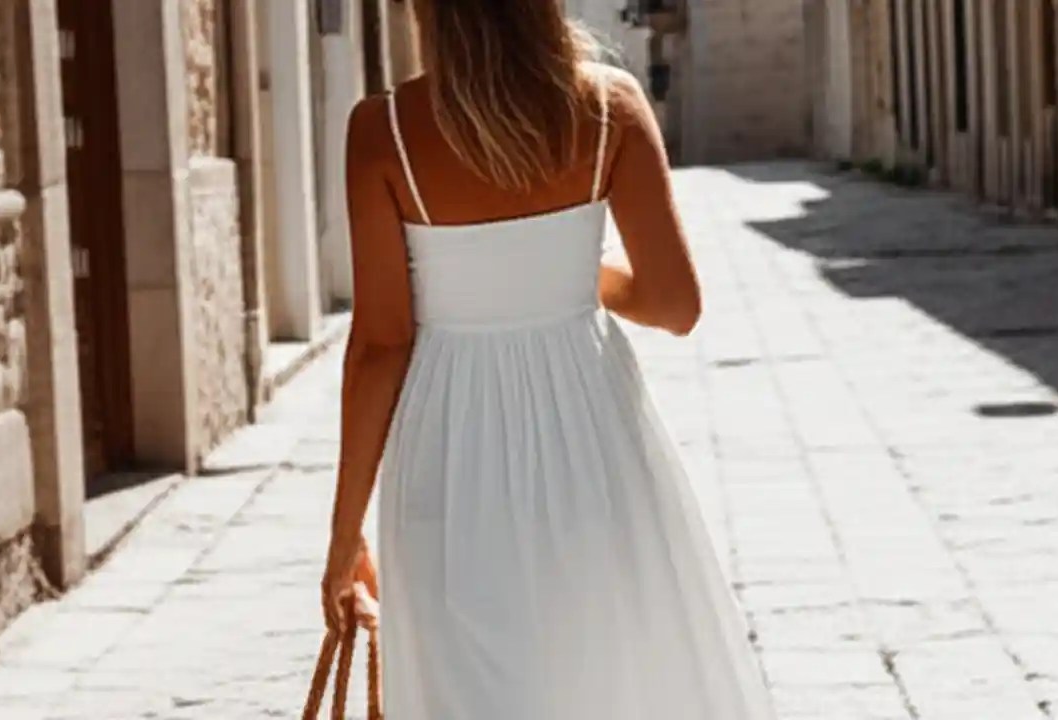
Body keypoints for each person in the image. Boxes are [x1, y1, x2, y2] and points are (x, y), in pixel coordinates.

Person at [322, 1, 773, 716]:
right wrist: (563, 271)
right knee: (601, 675)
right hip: (591, 432)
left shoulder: (382, 132)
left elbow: (381, 343)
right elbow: (674, 305)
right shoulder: (611, 107)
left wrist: (344, 540)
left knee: (467, 683)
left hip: (449, 442)